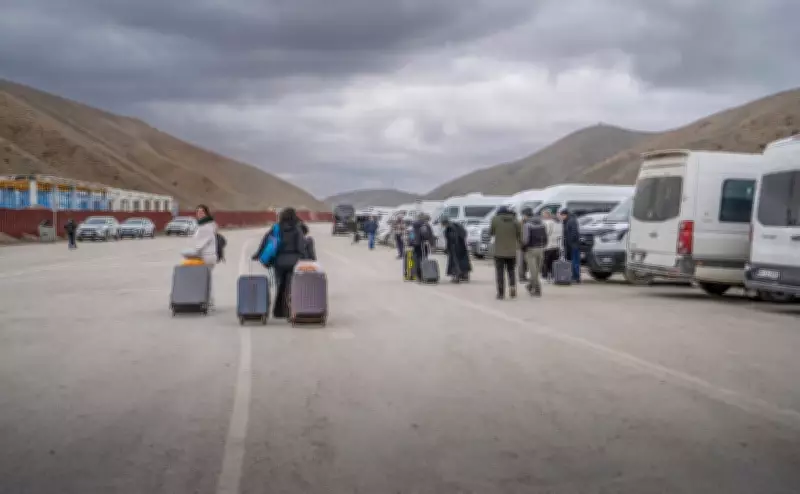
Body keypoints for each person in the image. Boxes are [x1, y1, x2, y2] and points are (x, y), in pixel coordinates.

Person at [252, 207, 308, 319]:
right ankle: (290, 310)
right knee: (291, 286)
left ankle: (279, 312)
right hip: (293, 261)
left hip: (279, 261)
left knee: (280, 285)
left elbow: (266, 241)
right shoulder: (297, 229)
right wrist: (304, 258)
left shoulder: (276, 228)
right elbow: (301, 247)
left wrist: (258, 254)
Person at [490, 205, 521, 299]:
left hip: (499, 251)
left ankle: (501, 293)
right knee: (511, 270)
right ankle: (512, 286)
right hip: (512, 251)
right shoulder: (515, 220)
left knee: (500, 272)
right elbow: (519, 234)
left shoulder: (495, 219)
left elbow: (491, 232)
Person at [192, 205, 219, 309]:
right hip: (209, 255)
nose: (199, 214)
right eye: (197, 212)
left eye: (201, 212)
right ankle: (209, 300)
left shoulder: (206, 226)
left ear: (206, 213)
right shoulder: (207, 224)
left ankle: (209, 301)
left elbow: (200, 243)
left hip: (207, 256)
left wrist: (193, 252)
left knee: (206, 279)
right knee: (208, 278)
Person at [520, 208, 548, 296]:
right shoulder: (542, 223)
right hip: (541, 248)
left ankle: (537, 289)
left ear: (525, 215)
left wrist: (523, 248)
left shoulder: (527, 225)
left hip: (531, 250)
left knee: (533, 271)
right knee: (536, 271)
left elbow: (525, 239)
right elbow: (546, 236)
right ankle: (530, 286)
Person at [442, 217, 471, 283]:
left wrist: (447, 248)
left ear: (444, 224)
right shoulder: (457, 225)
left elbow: (451, 239)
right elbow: (464, 234)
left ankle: (456, 277)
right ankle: (465, 275)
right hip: (462, 246)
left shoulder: (449, 228)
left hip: (454, 247)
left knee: (454, 262)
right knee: (463, 260)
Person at [559, 208, 581, 283]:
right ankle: (573, 276)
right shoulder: (567, 221)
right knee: (571, 262)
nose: (561, 217)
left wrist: (570, 242)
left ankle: (576, 277)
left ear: (565, 215)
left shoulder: (571, 221)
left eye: (562, 215)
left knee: (575, 262)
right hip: (569, 245)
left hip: (573, 245)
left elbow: (574, 233)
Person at [410, 214, 433, 281]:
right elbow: (425, 234)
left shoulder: (413, 225)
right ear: (425, 219)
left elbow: (411, 234)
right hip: (422, 244)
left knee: (415, 259)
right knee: (423, 258)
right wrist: (429, 242)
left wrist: (411, 242)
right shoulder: (424, 225)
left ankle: (414, 274)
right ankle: (422, 275)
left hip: (415, 244)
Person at [540, 209, 560, 281]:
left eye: (543, 215)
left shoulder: (546, 223)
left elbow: (545, 233)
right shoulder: (556, 222)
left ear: (547, 215)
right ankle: (553, 276)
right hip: (555, 246)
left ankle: (545, 276)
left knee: (545, 261)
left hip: (547, 246)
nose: (542, 216)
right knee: (553, 261)